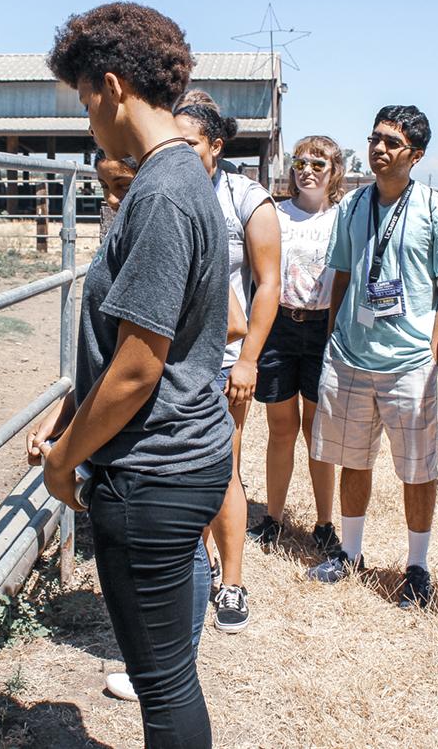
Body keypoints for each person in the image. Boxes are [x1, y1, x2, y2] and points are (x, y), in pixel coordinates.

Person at [32, 2, 233, 747]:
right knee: (171, 668)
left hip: (151, 467)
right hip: (188, 450)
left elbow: (137, 368)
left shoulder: (158, 193)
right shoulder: (183, 179)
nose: (88, 121)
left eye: (86, 102)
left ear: (112, 88)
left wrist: (65, 457)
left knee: (163, 682)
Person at [307, 105, 438, 610]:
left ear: (415, 156)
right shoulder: (352, 206)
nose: (379, 148)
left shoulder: (437, 210)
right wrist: (334, 341)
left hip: (409, 363)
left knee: (417, 469)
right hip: (351, 357)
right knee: (353, 459)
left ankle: (416, 567)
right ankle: (350, 553)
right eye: (375, 138)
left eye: (392, 143)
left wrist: (432, 356)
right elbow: (344, 277)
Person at [174, 100, 281, 633]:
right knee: (177, 470)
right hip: (170, 363)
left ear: (217, 146)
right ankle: (197, 566)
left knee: (223, 470)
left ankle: (232, 582)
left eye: (190, 143)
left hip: (220, 362)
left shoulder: (246, 199)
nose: (179, 153)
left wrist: (248, 360)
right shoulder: (164, 188)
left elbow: (268, 285)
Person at [246, 135, 345, 555]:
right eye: (301, 162)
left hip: (323, 330)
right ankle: (274, 517)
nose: (307, 170)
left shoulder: (343, 217)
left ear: (333, 171)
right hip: (280, 326)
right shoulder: (277, 214)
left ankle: (325, 523)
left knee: (317, 432)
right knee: (281, 428)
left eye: (317, 164)